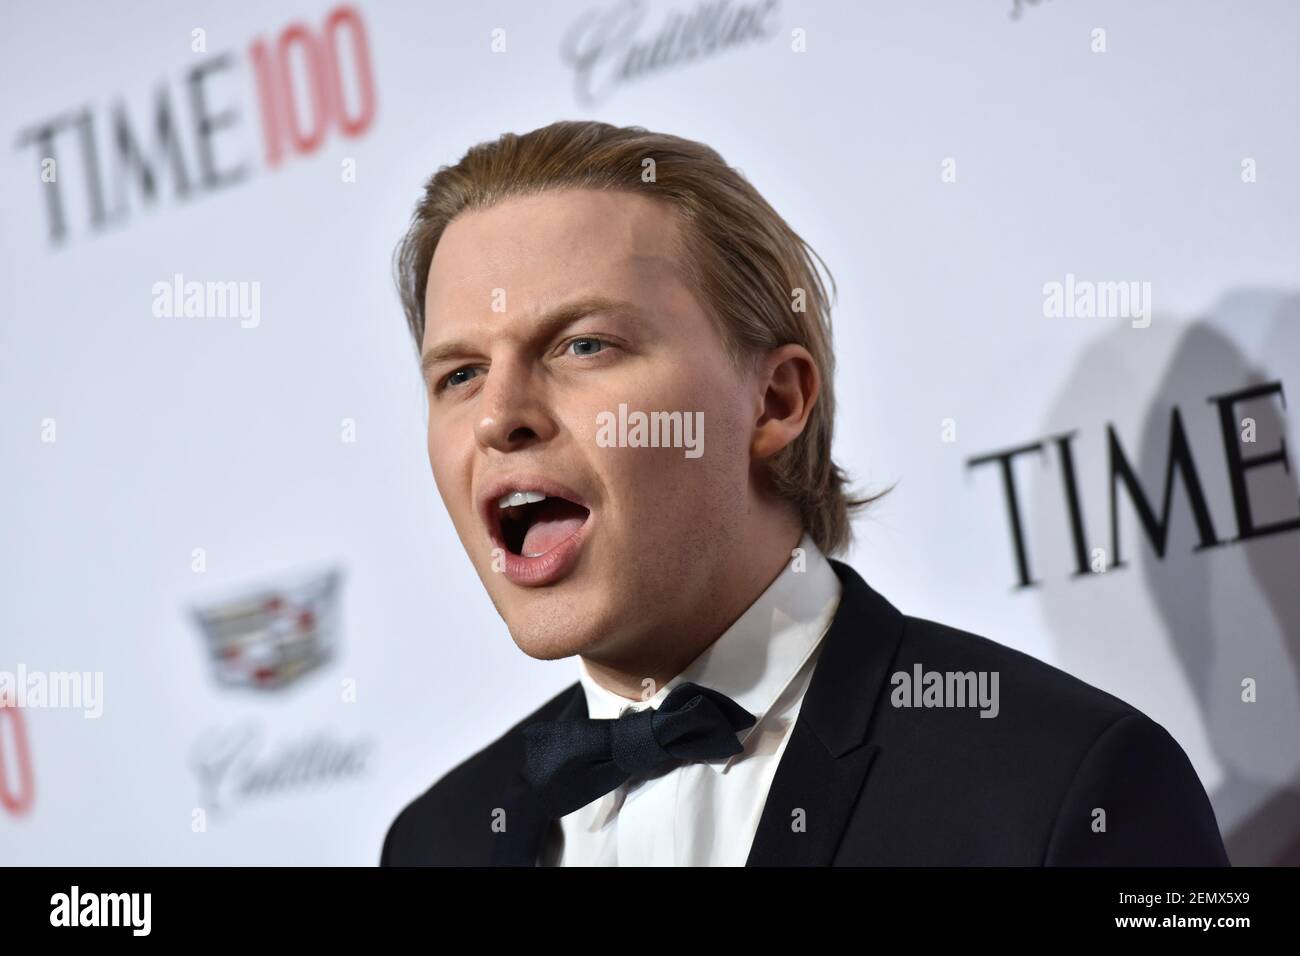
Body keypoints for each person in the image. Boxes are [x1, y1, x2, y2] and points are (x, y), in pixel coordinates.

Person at [380, 120, 1229, 866]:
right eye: (459, 373)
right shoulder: (435, 842)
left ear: (775, 401)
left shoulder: (1063, 783)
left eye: (584, 346)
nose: (499, 417)